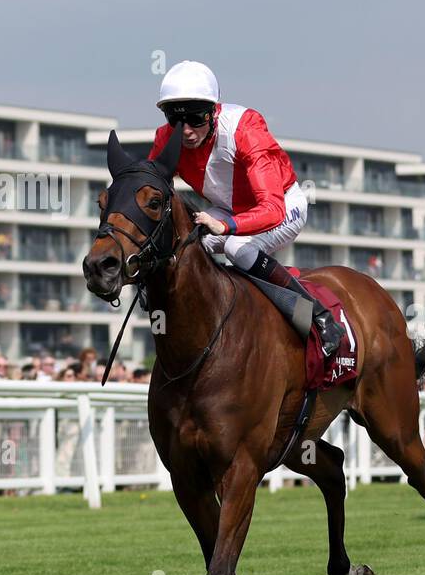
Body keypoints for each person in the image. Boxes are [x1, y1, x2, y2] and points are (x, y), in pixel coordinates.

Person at [146, 60, 342, 357]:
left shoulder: (244, 129)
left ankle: (317, 316)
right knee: (183, 245)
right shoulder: (166, 138)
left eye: (196, 118)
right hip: (229, 208)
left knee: (237, 248)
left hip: (284, 205)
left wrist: (225, 227)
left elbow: (272, 209)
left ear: (214, 111)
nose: (185, 131)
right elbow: (149, 186)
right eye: (176, 119)